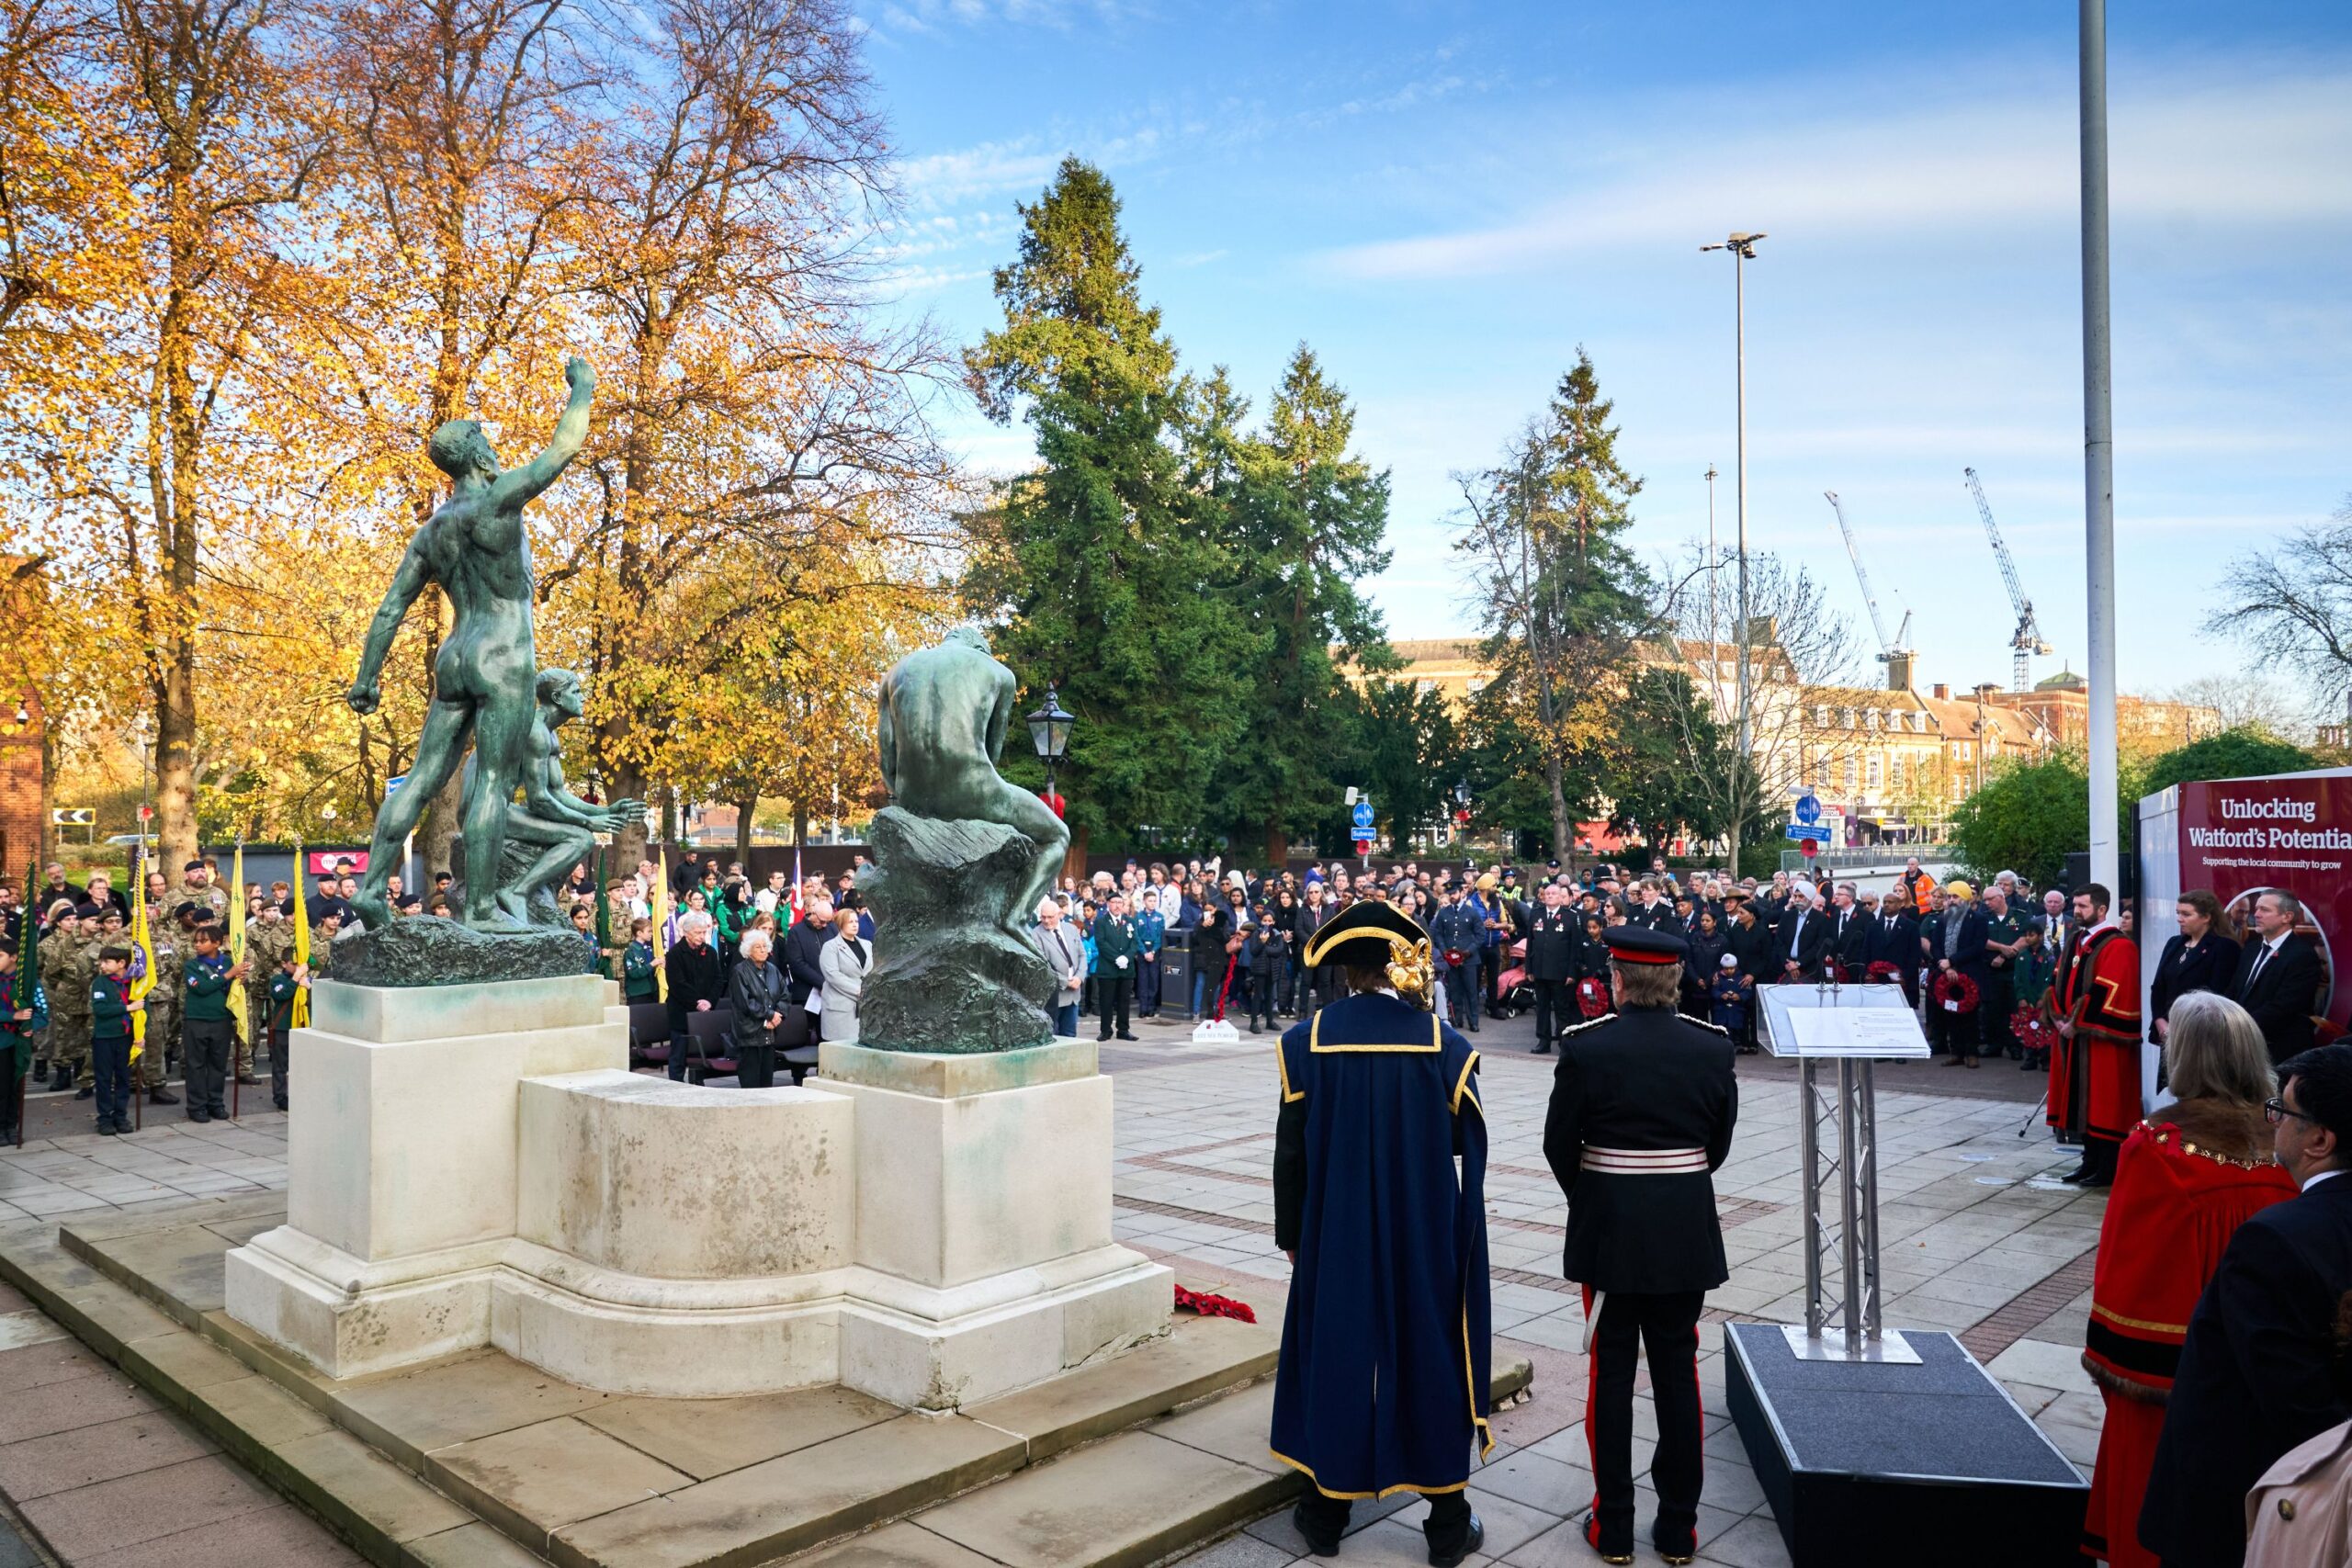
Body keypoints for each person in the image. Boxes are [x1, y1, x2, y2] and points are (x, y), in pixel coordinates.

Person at [1271, 901, 1489, 1568]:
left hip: (1333, 1224)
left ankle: (1323, 1514)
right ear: (1401, 967)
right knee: (1427, 1347)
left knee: (1335, 1347)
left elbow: (1290, 1154)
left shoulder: (1302, 1041)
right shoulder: (1443, 1043)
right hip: (1420, 1226)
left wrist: (1291, 1232)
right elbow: (1462, 1143)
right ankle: (1447, 1522)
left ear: (1343, 972)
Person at [1543, 925, 1737, 1566]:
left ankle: (1615, 1526)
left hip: (1611, 1232)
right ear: (1676, 980)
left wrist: (1600, 1194)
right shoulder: (1711, 1047)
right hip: (1683, 1228)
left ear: (1617, 979)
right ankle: (1679, 1529)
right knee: (1679, 1375)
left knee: (1613, 1375)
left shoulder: (1587, 1047)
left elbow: (1558, 1144)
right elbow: (1717, 1144)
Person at [2078, 992, 2295, 1568]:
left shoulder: (2158, 1147)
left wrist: (2117, 1375)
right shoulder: (2294, 1140)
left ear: (2186, 1057)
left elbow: (2134, 1278)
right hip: (2279, 1366)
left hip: (2184, 1373)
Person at [2141, 1043, 2352, 1567]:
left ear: (2319, 1140)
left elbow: (2292, 1402)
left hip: (2259, 1510)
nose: (2272, 1121)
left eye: (2282, 1111)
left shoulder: (2274, 1240)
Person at [2049, 883, 2143, 1187]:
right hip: (2072, 1038)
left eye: (2083, 906)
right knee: (2082, 1104)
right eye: (2074, 905)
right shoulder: (2075, 940)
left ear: (2102, 909)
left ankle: (2107, 1167)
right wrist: (2058, 1016)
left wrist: (2077, 1022)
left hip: (2101, 1040)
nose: (2076, 911)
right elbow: (2058, 978)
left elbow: (2107, 989)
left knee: (2104, 1104)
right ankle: (2088, 1162)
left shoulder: (2118, 945)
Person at [2232, 889, 2326, 1066]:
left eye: (2264, 910)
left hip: (2280, 1053)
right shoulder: (2251, 949)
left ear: (2287, 916)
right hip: (2242, 1050)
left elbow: (2285, 1006)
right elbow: (2235, 991)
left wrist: (2239, 1027)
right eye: (2256, 909)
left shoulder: (2302, 955)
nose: (2256, 915)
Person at [2151, 890, 2244, 1070]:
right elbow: (2159, 987)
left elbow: (2218, 995)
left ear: (2206, 917)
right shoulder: (2174, 943)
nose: (2179, 918)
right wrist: (2160, 1022)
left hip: (2202, 1036)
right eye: (2178, 913)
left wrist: (2185, 1027)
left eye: (2186, 914)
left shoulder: (2224, 947)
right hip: (2169, 1033)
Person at [180, 924, 244, 1123]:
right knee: (196, 1065)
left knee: (218, 1065)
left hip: (221, 1019)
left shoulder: (228, 962)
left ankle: (215, 1103)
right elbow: (201, 988)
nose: (198, 945)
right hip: (196, 1020)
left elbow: (235, 987)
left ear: (217, 943)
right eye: (196, 942)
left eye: (203, 941)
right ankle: (196, 1106)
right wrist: (228, 975)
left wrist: (240, 978)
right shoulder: (191, 966)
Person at [1932, 880, 1992, 1067]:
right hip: (1947, 975)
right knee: (1951, 1013)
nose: (1951, 900)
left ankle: (1971, 1053)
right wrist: (1946, 966)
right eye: (1949, 897)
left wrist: (1953, 961)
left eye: (1955, 897)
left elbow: (1978, 946)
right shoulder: (1942, 919)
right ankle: (1956, 1052)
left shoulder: (1978, 919)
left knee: (1970, 1016)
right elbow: (1935, 946)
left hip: (1969, 974)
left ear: (1965, 898)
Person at [662, 912, 727, 1081]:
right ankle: (675, 1085)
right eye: (698, 933)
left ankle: (697, 1083)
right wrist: (697, 1002)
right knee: (679, 1053)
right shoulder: (675, 954)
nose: (702, 936)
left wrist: (709, 1001)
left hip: (704, 1012)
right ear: (686, 932)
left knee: (699, 1054)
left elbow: (718, 979)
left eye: (704, 932)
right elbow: (677, 984)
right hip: (681, 1012)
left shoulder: (710, 952)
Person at [87, 945, 141, 1136]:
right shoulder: (100, 983)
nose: (102, 965)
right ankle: (105, 1117)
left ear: (121, 963)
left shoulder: (134, 983)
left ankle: (121, 1115)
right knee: (103, 1078)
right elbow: (100, 1009)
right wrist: (127, 1008)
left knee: (124, 1078)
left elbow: (143, 1009)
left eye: (106, 961)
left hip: (126, 1037)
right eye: (101, 961)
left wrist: (140, 1035)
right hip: (104, 1037)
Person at [726, 928, 788, 1089]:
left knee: (767, 1081)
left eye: (765, 946)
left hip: (770, 1032)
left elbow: (785, 995)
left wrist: (778, 1016)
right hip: (749, 1033)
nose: (763, 950)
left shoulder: (773, 969)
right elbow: (745, 1003)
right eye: (757, 947)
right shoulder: (740, 971)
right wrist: (769, 1015)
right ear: (748, 950)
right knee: (751, 1083)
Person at [37, 905, 87, 1094]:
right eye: (68, 919)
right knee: (59, 1033)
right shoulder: (48, 944)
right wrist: (57, 986)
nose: (72, 923)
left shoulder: (85, 941)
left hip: (82, 995)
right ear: (58, 922)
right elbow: (42, 969)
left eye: (75, 919)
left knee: (82, 1034)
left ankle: (80, 1069)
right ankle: (57, 1069)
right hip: (58, 993)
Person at [1525, 880, 1579, 1055]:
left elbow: (1574, 947)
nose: (1549, 896)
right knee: (1542, 1008)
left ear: (1560, 897)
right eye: (1547, 894)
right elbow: (1530, 944)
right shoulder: (1536, 914)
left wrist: (1572, 972)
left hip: (1560, 971)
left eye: (1554, 894)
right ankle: (1543, 1041)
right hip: (1539, 969)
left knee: (1561, 1008)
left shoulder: (1570, 916)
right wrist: (1529, 969)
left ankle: (1564, 1042)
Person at [0, 942, 44, 1143]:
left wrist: (30, 1026)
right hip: (2, 1039)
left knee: (15, 1085)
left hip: (18, 1041)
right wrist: (12, 1016)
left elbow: (42, 1011)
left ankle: (11, 1125)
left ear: (14, 957)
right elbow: (15, 1015)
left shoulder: (28, 983)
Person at [1431, 886, 1483, 1032]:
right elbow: (1438, 934)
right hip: (1450, 958)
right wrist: (1443, 951)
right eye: (1450, 894)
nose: (1452, 896)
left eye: (1454, 893)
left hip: (1469, 959)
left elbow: (1480, 935)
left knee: (1471, 991)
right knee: (1454, 990)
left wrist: (1468, 951)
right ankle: (1457, 1019)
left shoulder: (1472, 912)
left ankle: (1473, 1021)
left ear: (1462, 893)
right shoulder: (1443, 913)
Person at [265, 952, 310, 1111]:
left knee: (303, 1064)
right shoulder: (278, 980)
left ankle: (303, 1093)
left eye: (300, 964)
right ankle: (280, 1096)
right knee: (280, 1065)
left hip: (303, 1027)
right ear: (284, 964)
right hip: (283, 1027)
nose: (298, 967)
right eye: (294, 963)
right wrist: (295, 979)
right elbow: (281, 994)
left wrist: (309, 988)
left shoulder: (306, 979)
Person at [1034, 898, 1084, 1038]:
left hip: (1074, 993)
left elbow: (1082, 955)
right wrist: (1066, 982)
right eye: (1043, 917)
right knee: (1053, 1034)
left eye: (1050, 917)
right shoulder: (1036, 934)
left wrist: (1079, 977)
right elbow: (1042, 965)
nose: (1046, 921)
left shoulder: (1071, 929)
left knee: (1070, 1034)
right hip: (1054, 994)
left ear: (1059, 915)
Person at [819, 907, 868, 1046]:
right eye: (850, 922)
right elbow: (832, 975)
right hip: (841, 1008)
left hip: (864, 1006)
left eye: (856, 921)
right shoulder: (830, 947)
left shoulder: (867, 945)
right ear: (841, 924)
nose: (854, 924)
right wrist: (858, 990)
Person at [1092, 893, 1139, 1042]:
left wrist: (1126, 957)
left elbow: (1135, 942)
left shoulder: (1130, 921)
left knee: (1124, 1000)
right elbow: (1101, 942)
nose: (1118, 905)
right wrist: (1116, 957)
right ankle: (1106, 1030)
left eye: (1120, 902)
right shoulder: (1101, 922)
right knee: (1106, 1001)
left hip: (1126, 968)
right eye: (1114, 902)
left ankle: (1123, 1030)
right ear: (1108, 904)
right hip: (1108, 968)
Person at [1134, 887, 1166, 1020]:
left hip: (1155, 950)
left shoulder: (1159, 917)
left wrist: (1153, 951)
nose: (1152, 903)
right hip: (1142, 950)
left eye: (1154, 901)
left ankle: (1151, 1007)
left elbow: (1160, 936)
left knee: (1153, 980)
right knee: (1143, 980)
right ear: (1144, 902)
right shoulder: (1138, 917)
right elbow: (1136, 935)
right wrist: (1144, 952)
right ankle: (1143, 1007)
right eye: (1150, 901)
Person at [620, 919, 659, 1005]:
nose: (651, 934)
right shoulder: (631, 951)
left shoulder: (649, 949)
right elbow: (633, 973)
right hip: (637, 994)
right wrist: (652, 964)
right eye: (649, 931)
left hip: (652, 992)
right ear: (639, 933)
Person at [569, 902, 600, 975]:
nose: (583, 921)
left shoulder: (593, 938)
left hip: (590, 977)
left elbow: (596, 959)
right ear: (572, 919)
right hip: (572, 977)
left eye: (586, 917)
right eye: (579, 918)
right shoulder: (567, 938)